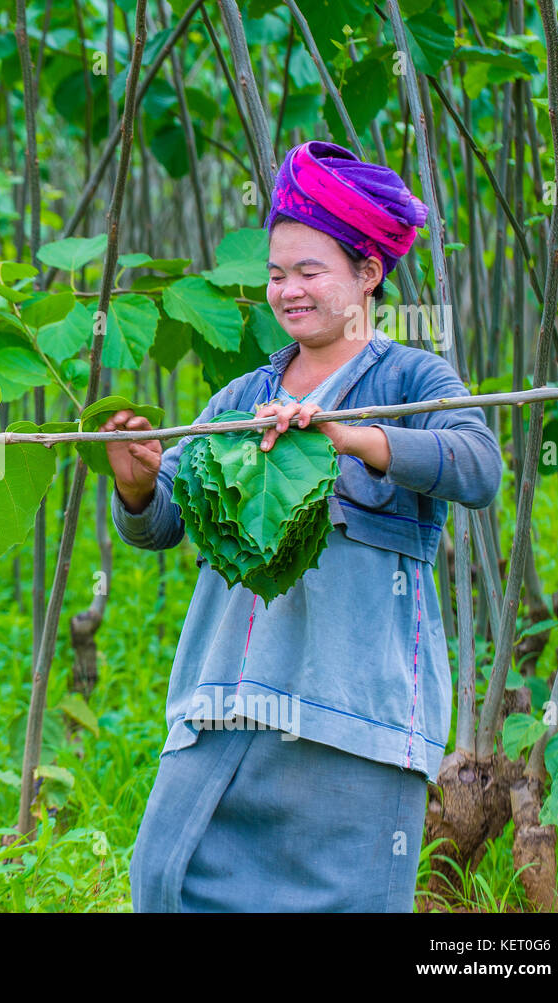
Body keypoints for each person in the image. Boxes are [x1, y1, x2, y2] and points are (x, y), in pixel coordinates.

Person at [103, 140, 502, 912]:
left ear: (368, 274)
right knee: (168, 880)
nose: (288, 289)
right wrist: (140, 483)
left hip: (357, 712)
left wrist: (352, 436)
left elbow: (479, 466)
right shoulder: (239, 398)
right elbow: (164, 524)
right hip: (227, 701)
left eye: (311, 270)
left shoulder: (411, 378)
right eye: (278, 271)